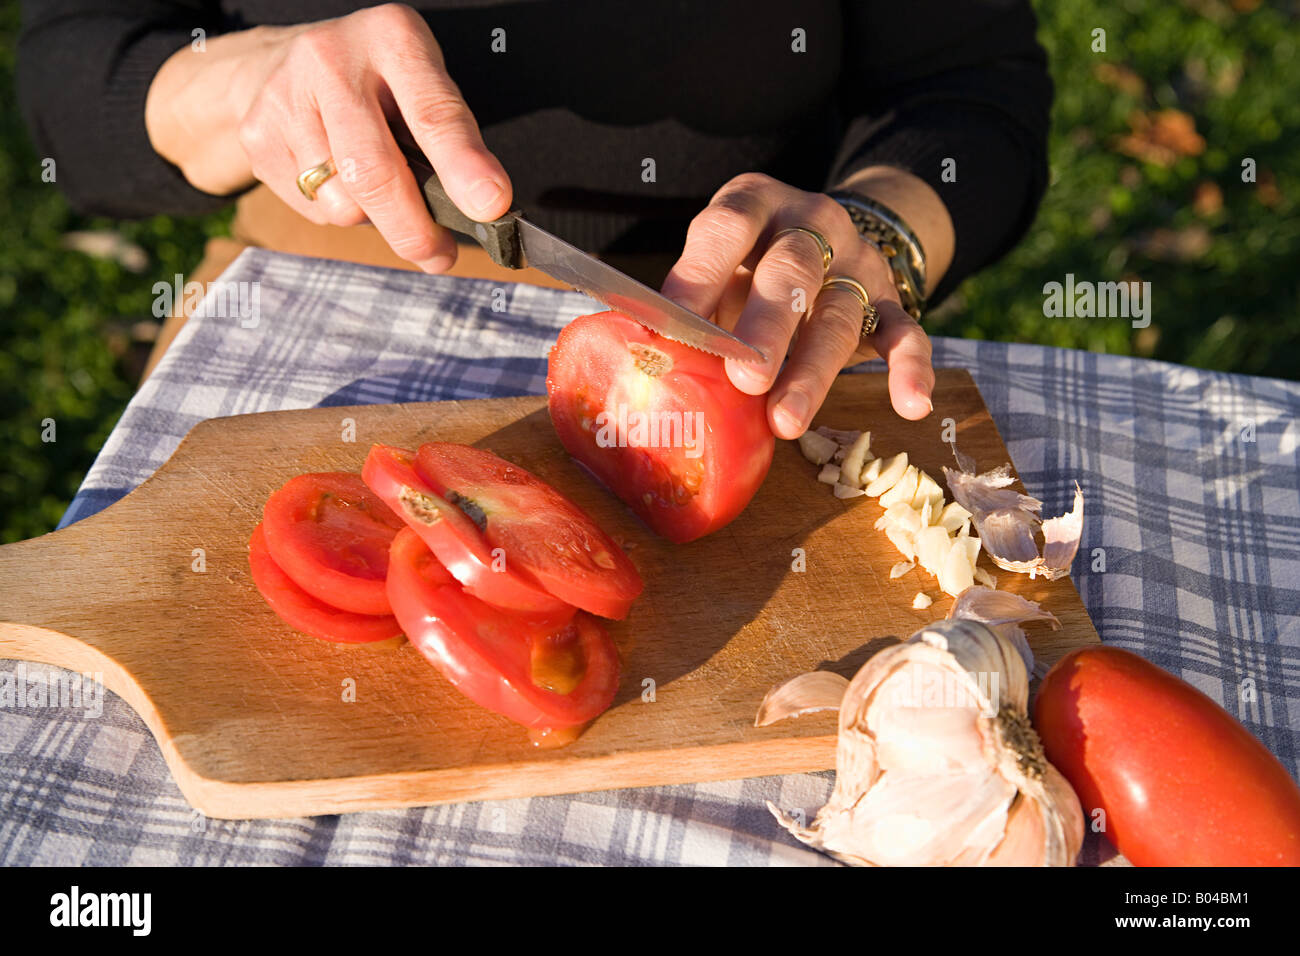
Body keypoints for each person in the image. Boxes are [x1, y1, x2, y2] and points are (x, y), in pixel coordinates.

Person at [18, 1, 1051, 437]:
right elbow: (74, 73)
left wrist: (881, 228)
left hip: (740, 305)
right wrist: (246, 84)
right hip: (322, 255)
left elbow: (969, 86)